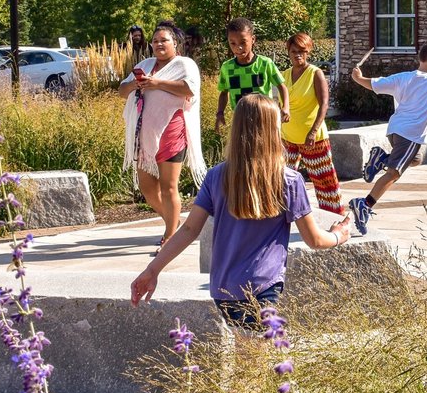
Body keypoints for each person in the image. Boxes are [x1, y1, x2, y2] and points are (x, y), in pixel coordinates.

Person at [130, 94, 353, 330]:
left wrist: (152, 270)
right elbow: (315, 240)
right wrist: (340, 234)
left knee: (248, 353)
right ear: (273, 132)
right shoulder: (288, 180)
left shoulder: (216, 176)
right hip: (263, 286)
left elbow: (188, 229)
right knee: (258, 360)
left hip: (224, 289)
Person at [346, 37, 427, 235]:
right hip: (411, 136)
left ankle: (381, 158)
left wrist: (358, 78)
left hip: (394, 131)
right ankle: (365, 204)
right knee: (393, 173)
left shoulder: (403, 77)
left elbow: (374, 84)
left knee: (416, 159)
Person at [121, 21, 208, 247]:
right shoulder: (146, 64)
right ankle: (174, 221)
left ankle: (170, 238)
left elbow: (189, 89)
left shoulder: (184, 64)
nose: (159, 44)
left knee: (169, 186)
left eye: (164, 40)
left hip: (172, 131)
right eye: (155, 40)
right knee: (147, 188)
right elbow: (122, 89)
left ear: (175, 44)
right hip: (145, 135)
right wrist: (135, 85)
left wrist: (157, 83)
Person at [281, 32, 341, 215]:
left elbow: (324, 104)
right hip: (287, 137)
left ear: (308, 52)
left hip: (312, 138)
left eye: (302, 51)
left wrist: (313, 131)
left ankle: (333, 216)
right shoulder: (283, 75)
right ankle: (287, 214)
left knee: (324, 181)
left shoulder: (315, 73)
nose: (297, 55)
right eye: (293, 51)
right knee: (282, 178)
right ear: (288, 52)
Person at [215, 17, 288, 132]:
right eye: (232, 43)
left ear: (253, 39)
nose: (238, 47)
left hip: (265, 117)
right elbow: (224, 92)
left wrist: (286, 107)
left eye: (243, 42)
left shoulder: (265, 64)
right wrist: (220, 112)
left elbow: (281, 86)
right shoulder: (227, 67)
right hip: (240, 119)